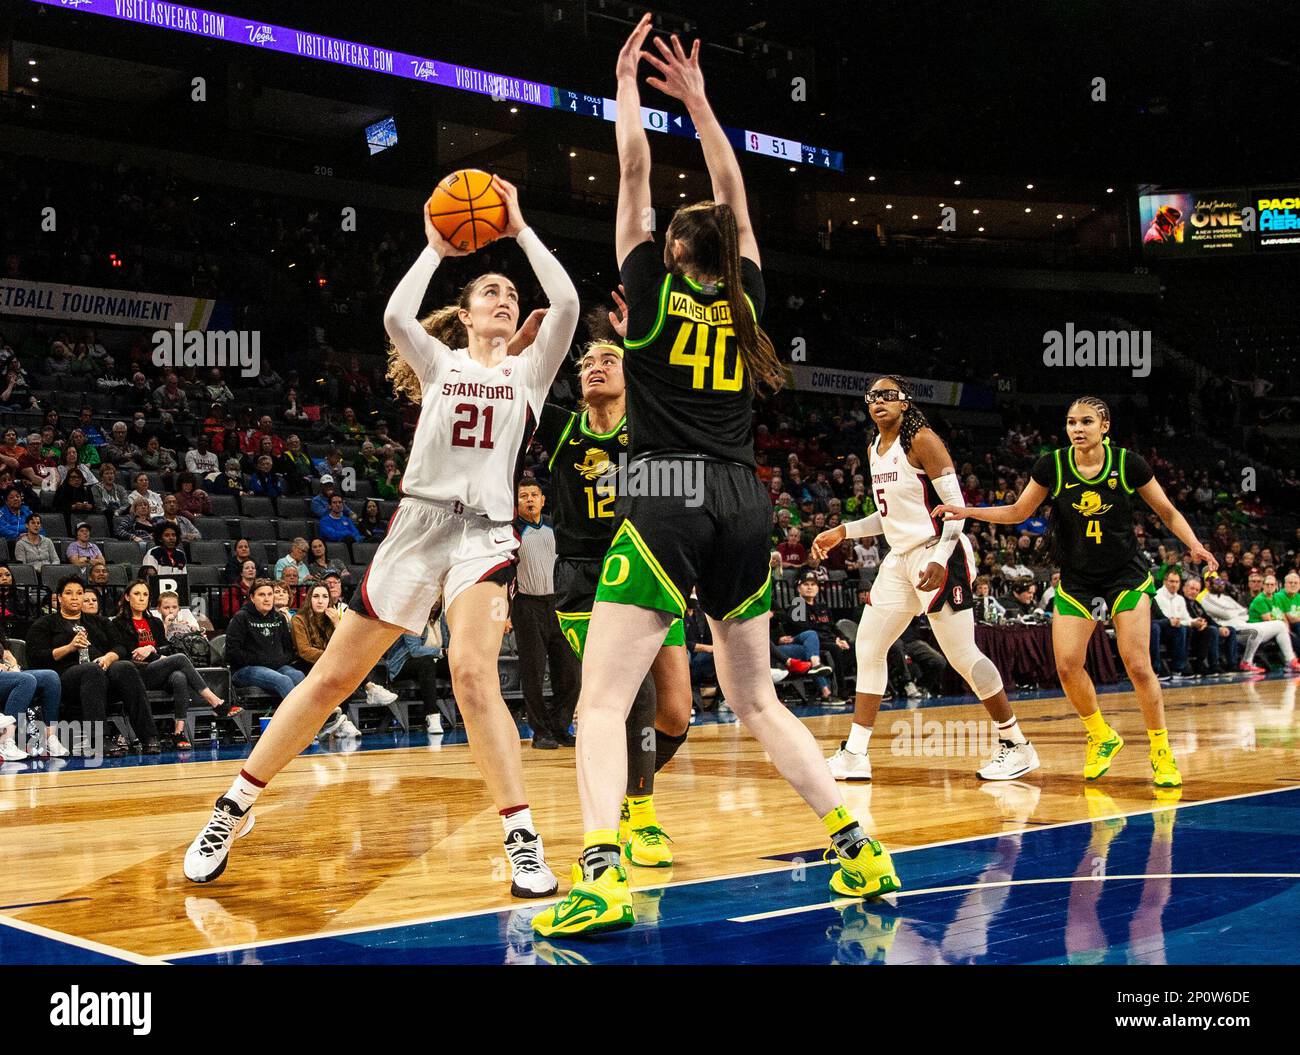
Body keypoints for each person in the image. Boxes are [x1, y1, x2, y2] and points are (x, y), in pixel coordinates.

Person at [534, 19, 896, 939]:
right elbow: (732, 191)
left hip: (666, 494)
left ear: (670, 254)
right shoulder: (747, 303)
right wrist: (699, 100)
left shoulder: (648, 299)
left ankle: (601, 871)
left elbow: (630, 175)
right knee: (756, 696)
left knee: (602, 701)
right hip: (746, 498)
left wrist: (627, 86)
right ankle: (857, 842)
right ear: (729, 251)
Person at [184, 172, 580, 902]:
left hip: (486, 538)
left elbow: (569, 303)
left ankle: (522, 839)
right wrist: (434, 246)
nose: (505, 297)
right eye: (489, 290)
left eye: (510, 294)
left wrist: (520, 226)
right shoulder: (443, 363)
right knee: (333, 678)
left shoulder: (529, 372)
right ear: (463, 314)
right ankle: (231, 807)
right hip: (418, 528)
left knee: (471, 671)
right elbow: (399, 316)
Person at [935, 396, 1217, 787]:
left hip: (1126, 575)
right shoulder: (1052, 465)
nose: (1077, 429)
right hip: (1077, 577)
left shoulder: (1127, 464)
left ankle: (1160, 749)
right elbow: (1019, 512)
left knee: (1137, 664)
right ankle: (1101, 735)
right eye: (1071, 422)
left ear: (1105, 426)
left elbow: (1167, 511)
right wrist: (968, 511)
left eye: (1086, 421)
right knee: (1067, 665)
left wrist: (1194, 544)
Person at [812, 375, 1038, 784]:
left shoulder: (924, 440)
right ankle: (856, 754)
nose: (879, 402)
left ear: (904, 401)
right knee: (869, 645)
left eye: (887, 395)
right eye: (872, 397)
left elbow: (956, 507)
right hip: (900, 559)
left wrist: (940, 556)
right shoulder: (874, 449)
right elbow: (889, 517)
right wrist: (844, 530)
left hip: (938, 552)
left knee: (963, 656)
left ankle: (1016, 745)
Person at [533, 333, 694, 865]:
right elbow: (515, 388)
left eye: (608, 360)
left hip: (649, 566)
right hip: (585, 578)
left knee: (676, 713)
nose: (594, 368)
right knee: (636, 691)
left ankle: (623, 793)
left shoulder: (649, 427)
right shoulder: (561, 428)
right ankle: (643, 818)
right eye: (586, 363)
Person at [26, 576, 157, 756]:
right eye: (69, 593)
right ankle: (99, 739)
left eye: (79, 593)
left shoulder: (99, 622)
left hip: (102, 675)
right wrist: (69, 648)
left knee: (125, 666)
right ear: (59, 597)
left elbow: (121, 646)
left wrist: (109, 658)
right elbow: (35, 656)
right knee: (91, 670)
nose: (75, 598)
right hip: (65, 679)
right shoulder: (44, 624)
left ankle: (148, 737)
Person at [110, 579, 230, 750]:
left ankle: (178, 733)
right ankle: (215, 701)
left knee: (179, 676)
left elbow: (165, 648)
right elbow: (127, 652)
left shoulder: (155, 622)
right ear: (127, 597)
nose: (141, 598)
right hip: (135, 673)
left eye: (145, 594)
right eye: (136, 594)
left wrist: (151, 649)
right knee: (180, 658)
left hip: (156, 669)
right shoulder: (118, 623)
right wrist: (153, 654)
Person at [511, 480, 580, 750]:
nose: (529, 499)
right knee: (533, 672)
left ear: (542, 499)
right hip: (527, 606)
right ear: (516, 504)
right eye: (523, 496)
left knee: (571, 673)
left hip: (560, 604)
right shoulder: (513, 532)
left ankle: (561, 727)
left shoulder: (557, 527)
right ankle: (541, 731)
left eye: (534, 495)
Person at [288, 584, 372, 733]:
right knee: (339, 669)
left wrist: (337, 623)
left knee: (346, 673)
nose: (320, 601)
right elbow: (304, 651)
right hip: (304, 663)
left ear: (329, 601)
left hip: (327, 662)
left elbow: (346, 645)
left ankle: (342, 719)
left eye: (325, 597)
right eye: (316, 596)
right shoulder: (298, 620)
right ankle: (368, 688)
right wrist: (332, 657)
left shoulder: (331, 618)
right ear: (309, 599)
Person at [223, 580, 305, 702]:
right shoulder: (241, 618)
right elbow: (232, 653)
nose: (267, 599)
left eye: (270, 594)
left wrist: (278, 659)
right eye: (262, 595)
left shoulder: (279, 618)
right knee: (283, 680)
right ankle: (300, 718)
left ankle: (318, 715)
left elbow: (288, 650)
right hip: (244, 670)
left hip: (276, 667)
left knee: (299, 676)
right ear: (252, 597)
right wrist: (263, 660)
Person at [1198, 573, 1286, 673]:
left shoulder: (1226, 598)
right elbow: (1227, 614)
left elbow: (1244, 612)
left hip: (1241, 625)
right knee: (1256, 632)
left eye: (1221, 583)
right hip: (1227, 629)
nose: (1220, 585)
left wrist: (1235, 613)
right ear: (1209, 585)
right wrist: (1235, 613)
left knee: (1279, 625)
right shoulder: (1206, 599)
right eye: (1217, 583)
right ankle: (1245, 662)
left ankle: (1289, 660)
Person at [0, 626, 65, 761]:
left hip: (4, 673)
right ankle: (5, 741)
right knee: (26, 680)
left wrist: (13, 666)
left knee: (50, 677)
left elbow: (6, 653)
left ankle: (49, 738)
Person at [1248, 573, 1300, 672]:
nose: (1269, 587)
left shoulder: (1276, 598)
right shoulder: (1260, 599)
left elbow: (1283, 616)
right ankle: (1291, 662)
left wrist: (1287, 629)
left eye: (1272, 585)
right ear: (1263, 585)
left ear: (1276, 586)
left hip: (1276, 629)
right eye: (1267, 584)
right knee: (1291, 635)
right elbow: (1268, 620)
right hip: (1260, 630)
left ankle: (1291, 662)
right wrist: (1285, 629)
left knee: (1291, 635)